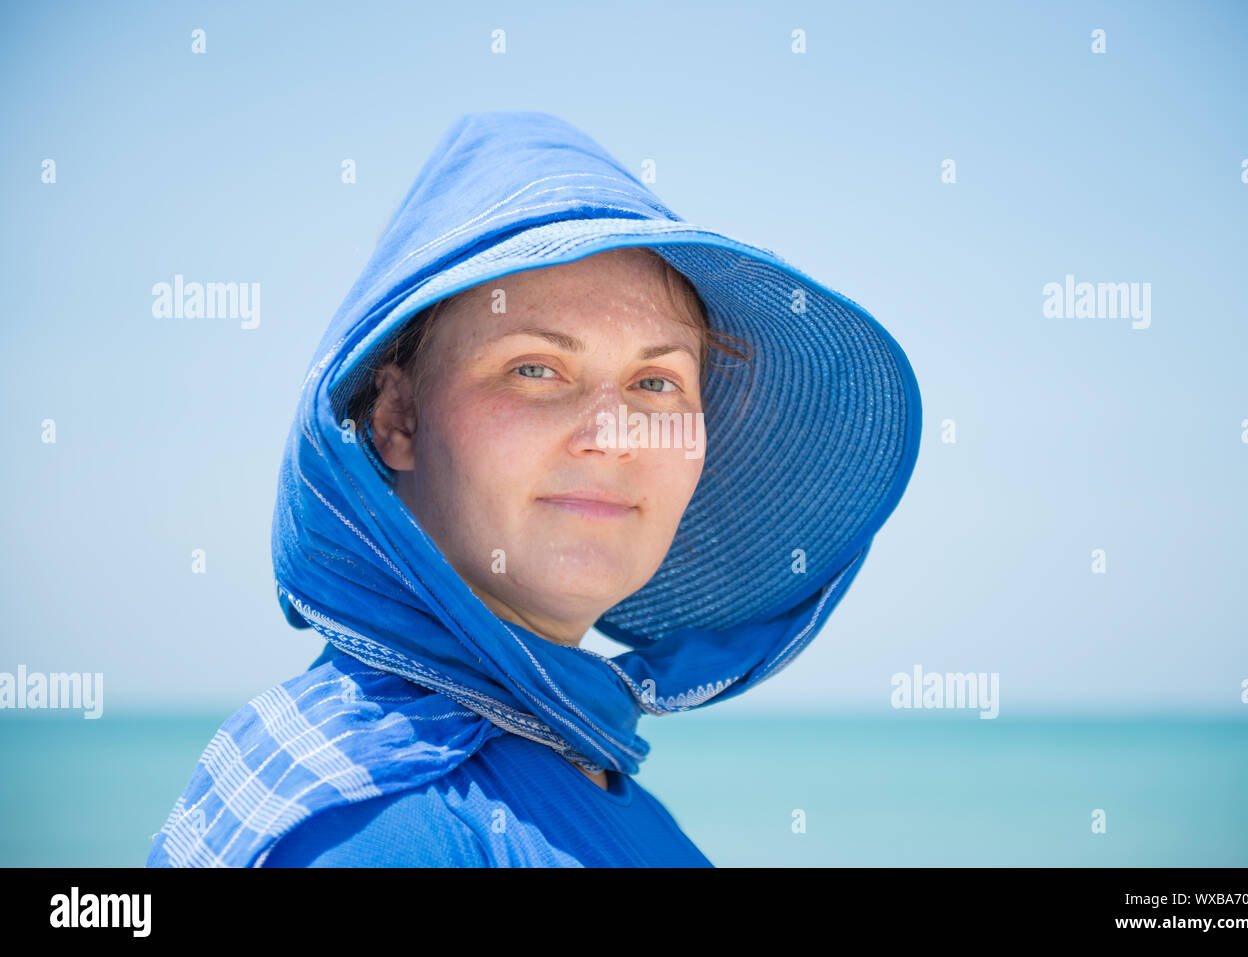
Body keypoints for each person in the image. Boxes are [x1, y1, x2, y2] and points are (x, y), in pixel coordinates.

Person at [145, 110, 922, 867]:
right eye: (536, 369)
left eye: (656, 382)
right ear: (398, 417)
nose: (615, 433)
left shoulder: (595, 780)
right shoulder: (378, 832)